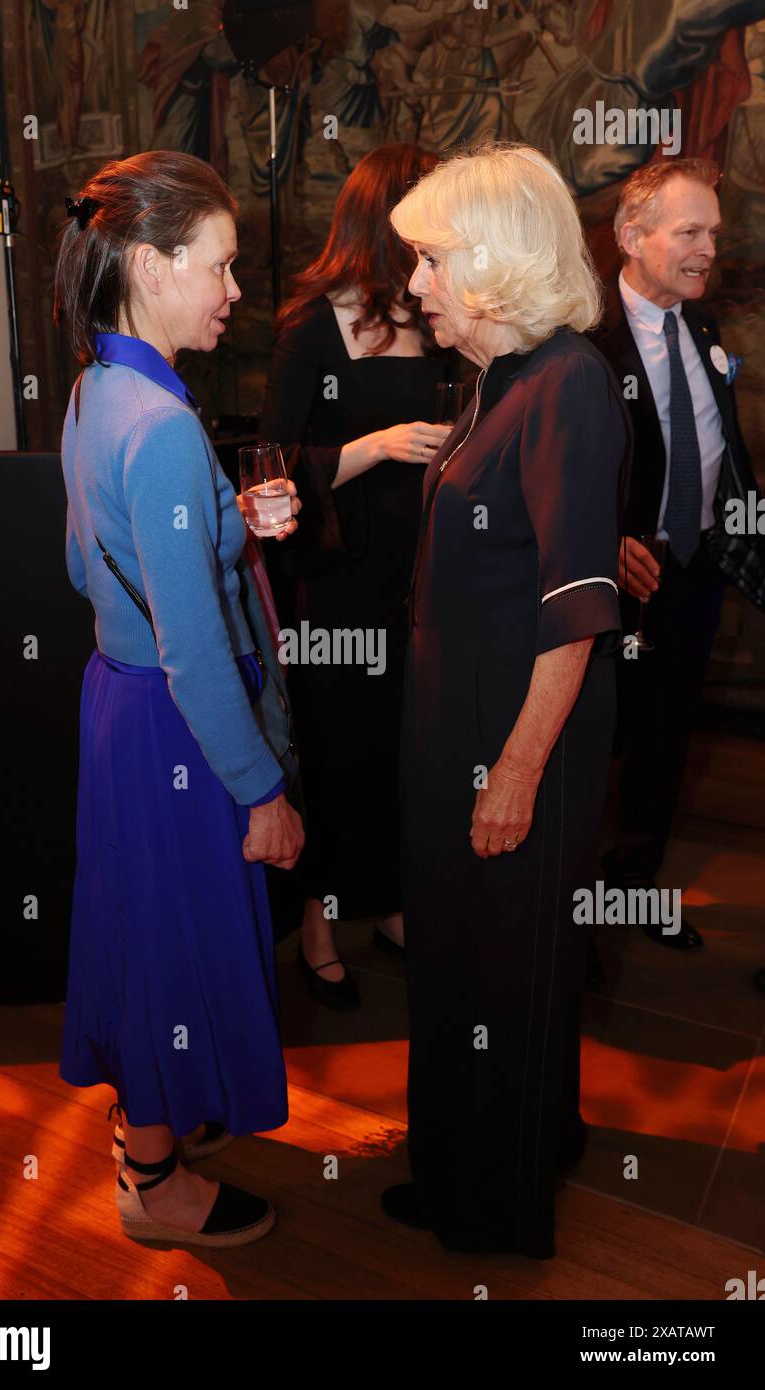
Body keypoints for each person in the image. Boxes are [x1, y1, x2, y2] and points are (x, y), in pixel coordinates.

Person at [383, 141, 632, 1258]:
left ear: (489, 260)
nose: (415, 284)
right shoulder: (500, 377)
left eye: (430, 260)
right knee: (461, 954)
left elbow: (575, 610)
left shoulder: (566, 386)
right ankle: (483, 1152)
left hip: (513, 740)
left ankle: (488, 1205)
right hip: (462, 729)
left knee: (503, 966)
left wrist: (516, 773)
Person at [53, 150, 304, 1250]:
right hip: (177, 719)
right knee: (171, 947)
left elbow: (84, 565)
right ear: (151, 266)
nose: (234, 291)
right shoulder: (158, 424)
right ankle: (152, 1184)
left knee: (142, 938)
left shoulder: (96, 384)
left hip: (122, 702)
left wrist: (226, 520)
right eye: (221, 266)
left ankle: (145, 1140)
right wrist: (262, 788)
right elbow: (196, 651)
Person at [259, 144, 460, 1011]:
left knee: (407, 751)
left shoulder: (444, 316)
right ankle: (319, 924)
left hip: (427, 578)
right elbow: (267, 466)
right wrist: (374, 446)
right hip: (341, 585)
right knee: (339, 754)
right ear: (388, 222)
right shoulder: (313, 324)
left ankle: (390, 905)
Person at [592, 157, 765, 953]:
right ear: (632, 235)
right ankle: (573, 925)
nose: (707, 250)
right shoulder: (584, 335)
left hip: (690, 574)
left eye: (714, 235)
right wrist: (604, 539)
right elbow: (547, 468)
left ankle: (633, 893)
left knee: (666, 743)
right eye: (689, 232)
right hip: (607, 580)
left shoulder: (701, 324)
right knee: (597, 748)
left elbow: (715, 444)